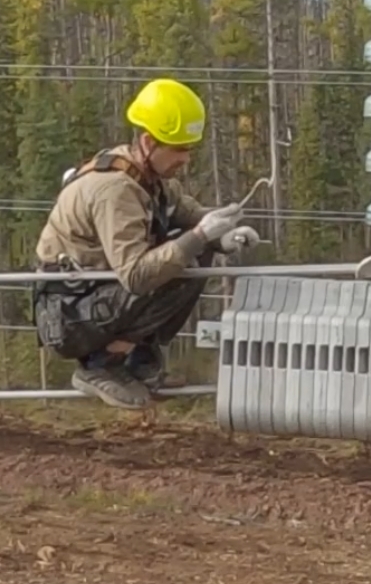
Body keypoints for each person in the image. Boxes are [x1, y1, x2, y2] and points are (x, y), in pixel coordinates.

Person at [32, 78, 259, 410]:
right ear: (149, 142)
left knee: (194, 253)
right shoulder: (116, 191)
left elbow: (193, 217)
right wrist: (199, 237)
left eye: (189, 148)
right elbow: (136, 275)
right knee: (185, 263)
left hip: (89, 301)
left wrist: (223, 236)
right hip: (68, 316)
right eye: (178, 148)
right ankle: (101, 365)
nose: (186, 159)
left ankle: (140, 363)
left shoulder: (150, 179)